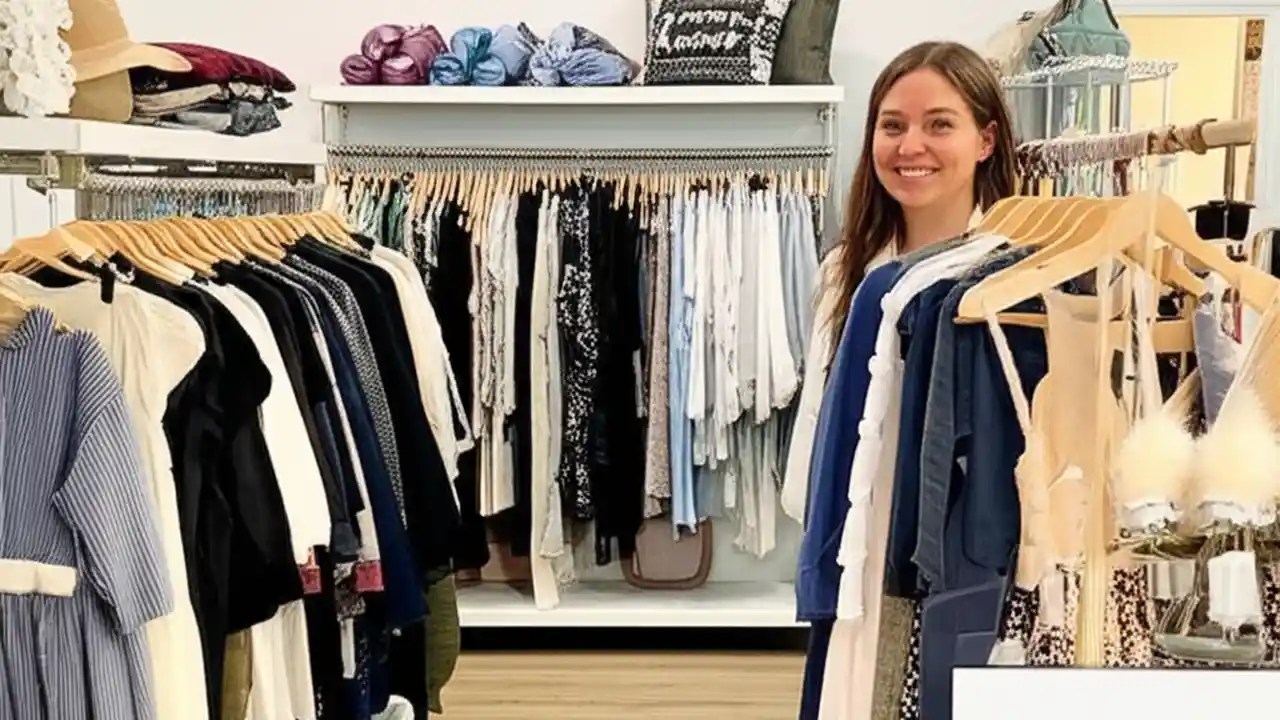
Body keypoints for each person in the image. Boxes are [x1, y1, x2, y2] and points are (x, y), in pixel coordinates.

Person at [785, 40, 1018, 720]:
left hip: (964, 562)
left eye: (939, 123)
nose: (910, 145)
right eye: (892, 125)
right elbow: (821, 422)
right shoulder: (846, 272)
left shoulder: (1015, 280)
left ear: (986, 140)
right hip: (860, 555)